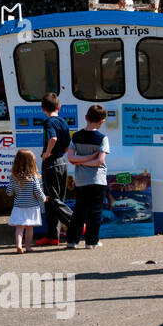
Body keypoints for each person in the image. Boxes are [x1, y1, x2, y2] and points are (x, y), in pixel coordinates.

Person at [66, 104, 110, 249]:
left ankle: (72, 240)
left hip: (80, 180)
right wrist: (91, 156)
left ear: (86, 118)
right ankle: (91, 241)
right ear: (102, 121)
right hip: (97, 179)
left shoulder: (76, 137)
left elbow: (71, 158)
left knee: (79, 211)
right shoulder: (102, 138)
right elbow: (100, 161)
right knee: (95, 211)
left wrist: (81, 159)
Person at [36, 92, 73, 247]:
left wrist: (47, 153)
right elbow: (67, 145)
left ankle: (76, 223)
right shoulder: (63, 122)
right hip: (62, 163)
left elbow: (53, 138)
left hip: (51, 163)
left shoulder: (49, 122)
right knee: (53, 200)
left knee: (53, 198)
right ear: (59, 107)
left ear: (43, 108)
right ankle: (52, 236)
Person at [6, 148, 46, 254]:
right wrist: (44, 199)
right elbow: (37, 191)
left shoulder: (14, 177)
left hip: (19, 206)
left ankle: (19, 245)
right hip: (32, 207)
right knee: (29, 228)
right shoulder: (33, 178)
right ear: (32, 163)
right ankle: (28, 247)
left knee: (19, 228)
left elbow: (9, 192)